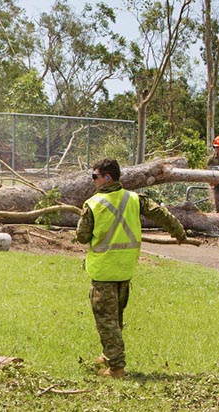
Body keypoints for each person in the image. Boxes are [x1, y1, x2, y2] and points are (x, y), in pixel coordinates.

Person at [75, 158, 186, 378]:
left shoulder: (93, 204)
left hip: (104, 270)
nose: (93, 180)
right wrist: (179, 233)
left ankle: (116, 368)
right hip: (125, 269)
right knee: (115, 318)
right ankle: (108, 355)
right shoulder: (134, 199)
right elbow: (161, 214)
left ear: (107, 178)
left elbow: (82, 237)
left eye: (94, 176)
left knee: (107, 322)